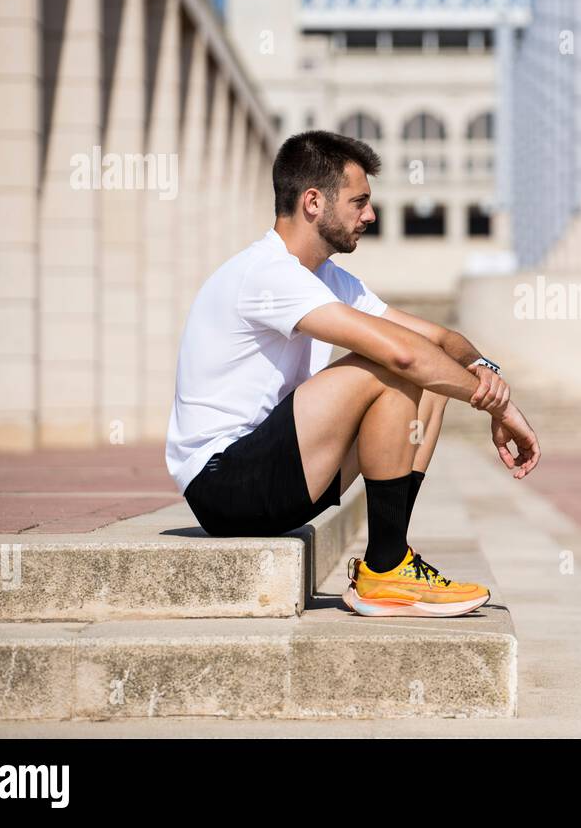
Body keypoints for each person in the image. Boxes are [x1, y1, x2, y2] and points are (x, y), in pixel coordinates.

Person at [165, 130, 541, 617]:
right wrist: (495, 405)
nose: (371, 215)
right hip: (223, 485)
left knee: (427, 369)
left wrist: (488, 375)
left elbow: (438, 340)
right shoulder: (266, 274)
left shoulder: (326, 278)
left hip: (278, 473)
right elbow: (404, 358)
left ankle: (390, 559)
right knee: (394, 365)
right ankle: (385, 571)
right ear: (314, 201)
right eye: (359, 201)